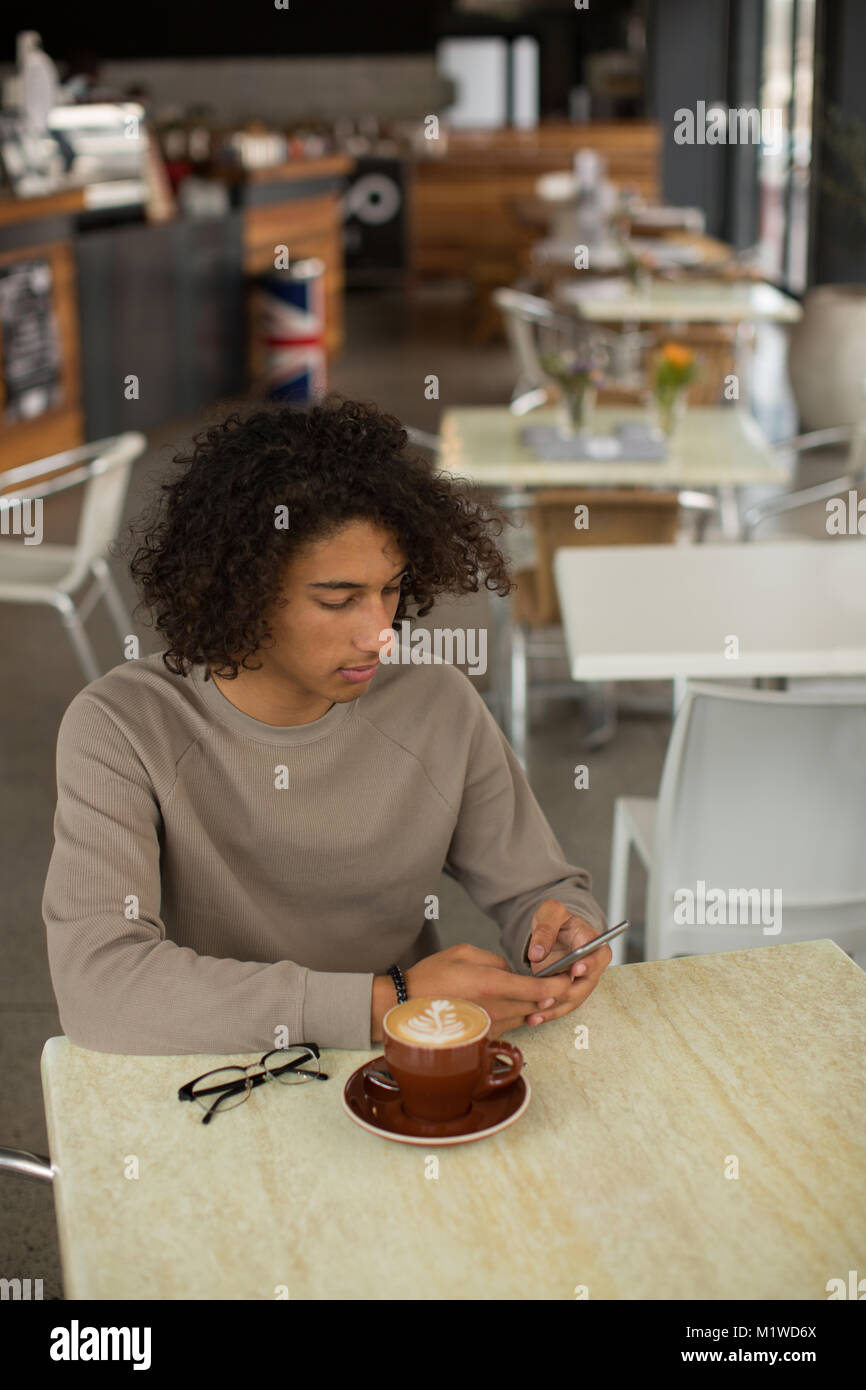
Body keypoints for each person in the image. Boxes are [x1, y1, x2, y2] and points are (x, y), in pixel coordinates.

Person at [42, 396, 611, 1054]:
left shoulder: (438, 705)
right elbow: (102, 988)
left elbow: (538, 886)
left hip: (399, 1069)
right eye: (337, 600)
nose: (381, 635)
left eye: (391, 590)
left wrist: (561, 931)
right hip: (216, 1072)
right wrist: (386, 1003)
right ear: (240, 593)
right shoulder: (121, 727)